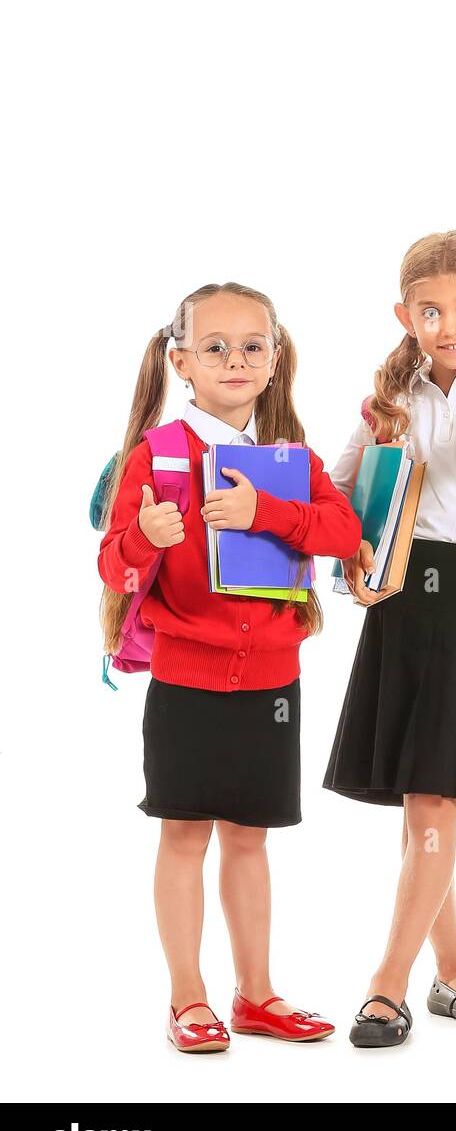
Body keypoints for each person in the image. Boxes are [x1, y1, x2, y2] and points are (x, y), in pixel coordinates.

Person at [97, 282, 362, 1052]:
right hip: (186, 681)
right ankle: (188, 998)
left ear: (276, 360)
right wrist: (144, 535)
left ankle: (257, 996)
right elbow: (113, 568)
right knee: (184, 836)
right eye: (215, 347)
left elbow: (342, 534)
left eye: (253, 346)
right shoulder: (158, 456)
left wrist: (264, 513)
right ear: (181, 360)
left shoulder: (287, 459)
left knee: (251, 838)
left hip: (274, 682)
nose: (236, 360)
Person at [323, 230, 456, 1048]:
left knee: (435, 794)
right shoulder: (388, 401)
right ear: (404, 316)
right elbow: (340, 489)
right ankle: (453, 968)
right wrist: (349, 557)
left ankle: (389, 983)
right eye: (431, 311)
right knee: (428, 792)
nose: (450, 324)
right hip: (405, 599)